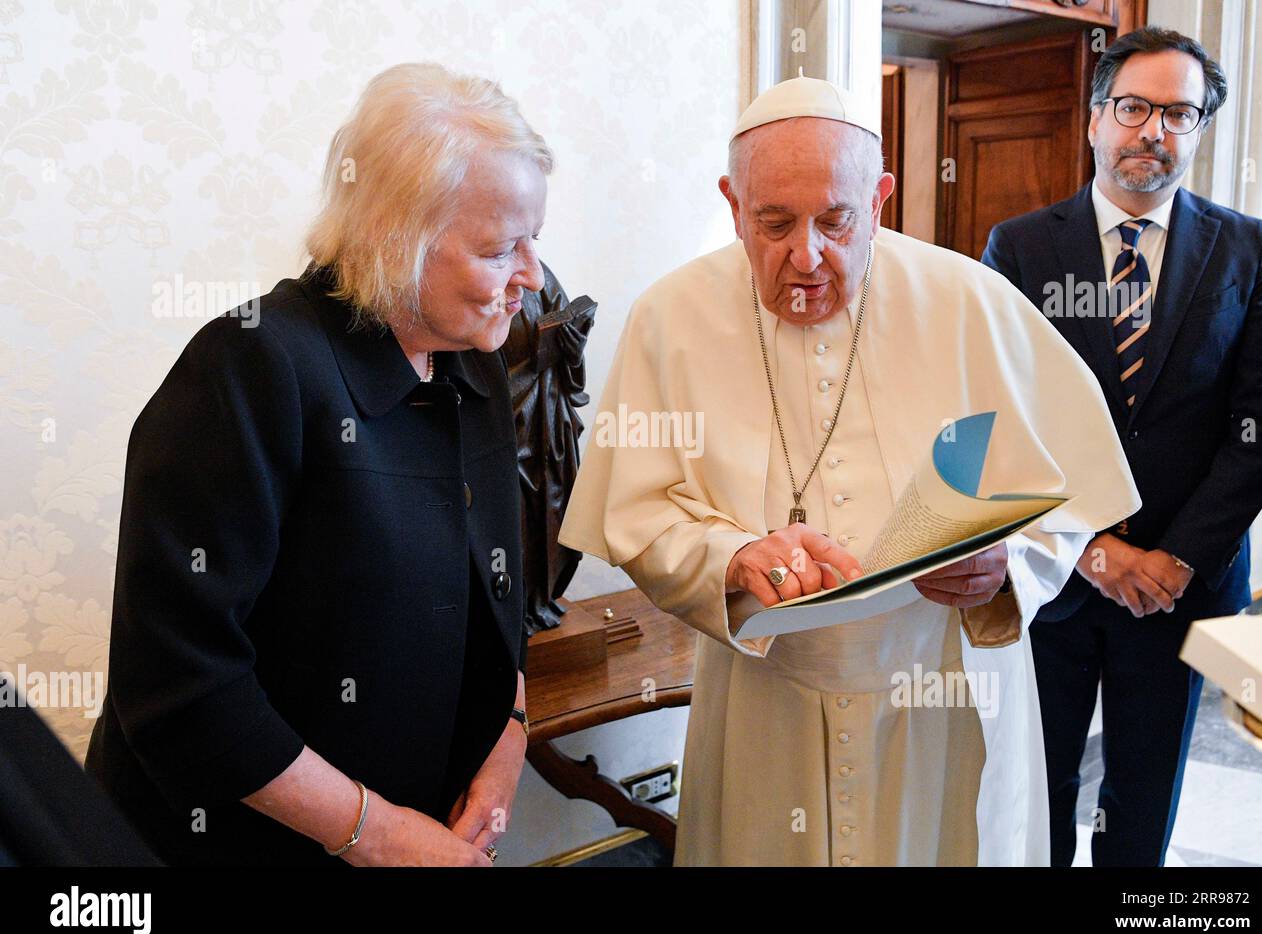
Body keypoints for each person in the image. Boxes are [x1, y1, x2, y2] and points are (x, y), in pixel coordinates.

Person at [559, 75, 1141, 865]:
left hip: (937, 685)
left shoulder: (969, 301)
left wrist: (1008, 567)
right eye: (773, 223)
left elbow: (1066, 491)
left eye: (836, 221)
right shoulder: (673, 317)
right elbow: (638, 510)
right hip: (767, 693)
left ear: (880, 200)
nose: (806, 255)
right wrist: (730, 557)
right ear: (733, 203)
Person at [85, 62, 551, 866]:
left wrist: (505, 743)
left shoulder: (471, 363)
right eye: (501, 247)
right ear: (397, 239)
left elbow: (497, 601)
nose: (531, 279)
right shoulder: (252, 367)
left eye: (534, 240)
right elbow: (181, 688)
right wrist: (379, 835)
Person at [982, 27, 1262, 866]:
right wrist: (1090, 549)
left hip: (1179, 586)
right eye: (1133, 106)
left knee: (1145, 794)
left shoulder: (1251, 250)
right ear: (1094, 118)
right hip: (1051, 576)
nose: (1152, 130)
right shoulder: (1019, 248)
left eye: (1178, 113)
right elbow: (997, 421)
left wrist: (1172, 561)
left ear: (1197, 131)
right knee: (1038, 787)